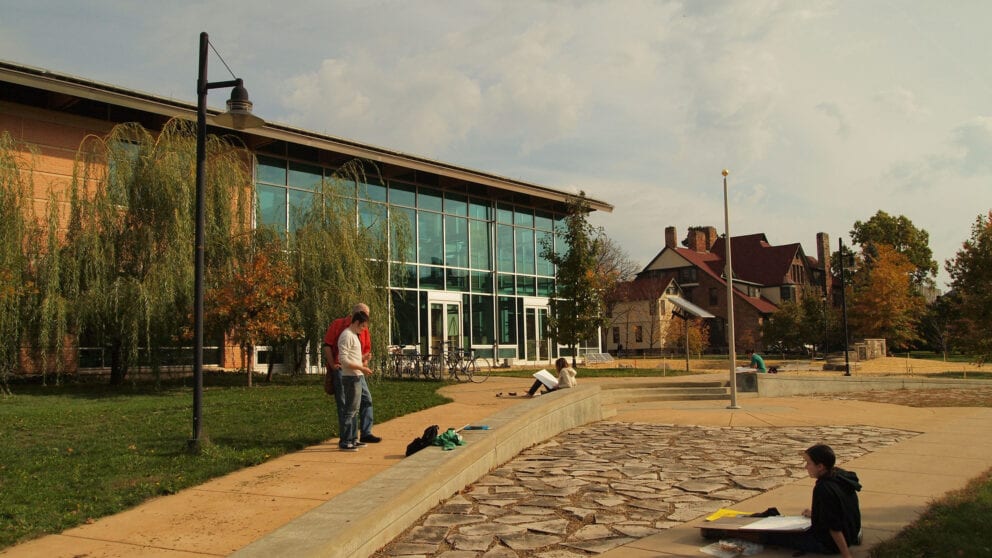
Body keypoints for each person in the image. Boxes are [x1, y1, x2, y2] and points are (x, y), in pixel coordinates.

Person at [766, 444, 862, 557]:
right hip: (851, 535)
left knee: (771, 535)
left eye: (808, 463)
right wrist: (816, 514)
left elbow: (834, 526)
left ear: (820, 466)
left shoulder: (824, 488)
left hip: (829, 543)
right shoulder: (839, 475)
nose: (806, 467)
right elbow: (838, 509)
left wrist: (846, 554)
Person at [322, 303, 381, 448]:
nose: (365, 325)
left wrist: (364, 361)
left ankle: (362, 434)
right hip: (345, 370)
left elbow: (364, 350)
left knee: (365, 400)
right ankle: (346, 438)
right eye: (364, 316)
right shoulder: (341, 327)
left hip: (358, 371)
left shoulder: (360, 330)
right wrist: (332, 365)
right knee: (347, 405)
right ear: (357, 317)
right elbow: (329, 347)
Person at [334, 311, 373, 451]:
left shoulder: (354, 335)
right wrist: (361, 368)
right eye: (362, 326)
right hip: (350, 377)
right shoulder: (346, 336)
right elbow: (343, 360)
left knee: (355, 409)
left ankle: (353, 438)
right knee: (350, 410)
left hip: (357, 375)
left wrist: (363, 359)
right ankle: (345, 441)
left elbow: (352, 357)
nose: (363, 330)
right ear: (356, 322)